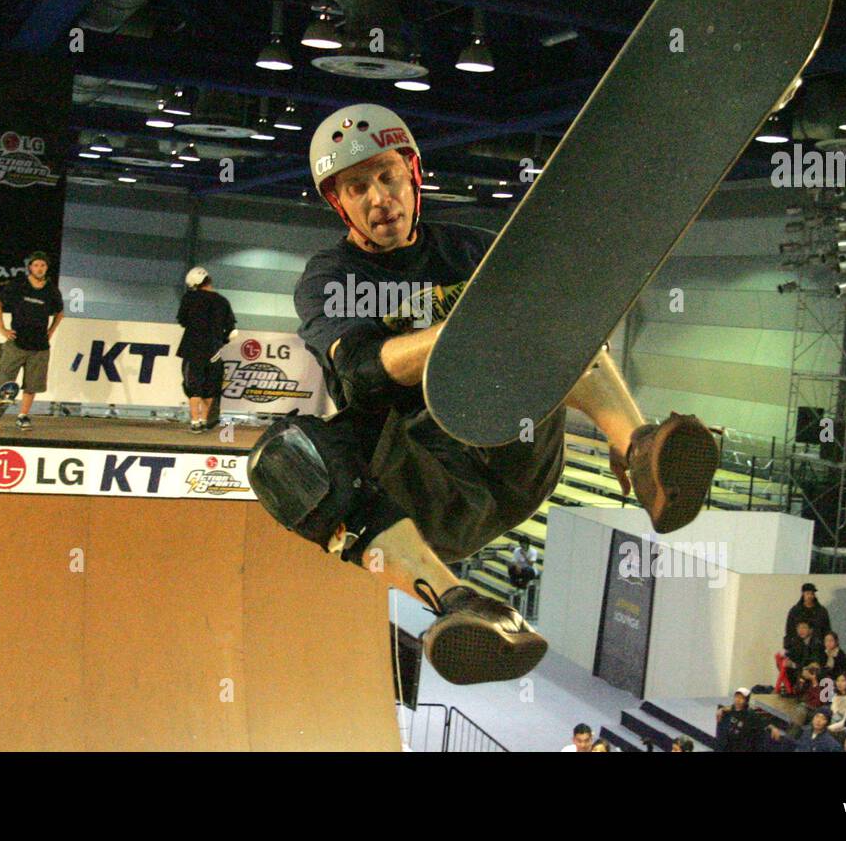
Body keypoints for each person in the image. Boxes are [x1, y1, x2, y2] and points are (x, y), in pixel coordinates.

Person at [248, 104, 719, 686]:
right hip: (426, 485)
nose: (379, 199)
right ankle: (460, 604)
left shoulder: (474, 251)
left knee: (545, 311)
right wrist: (459, 337)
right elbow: (364, 373)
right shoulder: (328, 280)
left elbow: (568, 326)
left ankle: (642, 449)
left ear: (413, 173)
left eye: (388, 176)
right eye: (357, 187)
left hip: (514, 452)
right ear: (337, 202)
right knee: (282, 455)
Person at [0, 250, 64, 431]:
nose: (39, 268)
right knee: (2, 381)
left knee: (32, 385)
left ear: (47, 268)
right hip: (17, 342)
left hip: (39, 346)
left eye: (43, 265)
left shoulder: (52, 290)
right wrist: (2, 328)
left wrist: (51, 331)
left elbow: (60, 312)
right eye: (36, 265)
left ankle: (23, 416)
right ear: (30, 267)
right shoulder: (19, 285)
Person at [176, 266, 236, 433]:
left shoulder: (189, 298)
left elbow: (182, 320)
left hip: (192, 348)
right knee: (210, 386)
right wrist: (221, 340)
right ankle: (204, 420)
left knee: (193, 386)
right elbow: (232, 330)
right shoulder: (223, 301)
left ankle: (195, 422)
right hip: (214, 350)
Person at [716, 688, 767, 752]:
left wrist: (772, 728)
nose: (738, 700)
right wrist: (721, 709)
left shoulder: (750, 715)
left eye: (741, 698)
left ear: (746, 700)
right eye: (736, 697)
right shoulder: (730, 709)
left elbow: (762, 723)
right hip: (729, 744)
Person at [771, 708, 841, 752]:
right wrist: (780, 735)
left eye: (823, 719)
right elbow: (795, 743)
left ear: (827, 723)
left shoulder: (830, 743)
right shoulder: (805, 731)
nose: (818, 721)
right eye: (817, 717)